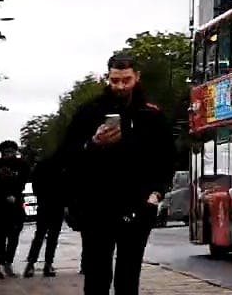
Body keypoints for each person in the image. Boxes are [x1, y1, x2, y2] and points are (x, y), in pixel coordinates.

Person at [58, 54, 175, 295]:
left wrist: (157, 193)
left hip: (138, 204)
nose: (120, 86)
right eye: (115, 80)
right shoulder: (89, 112)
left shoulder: (151, 115)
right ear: (108, 78)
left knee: (128, 277)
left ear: (137, 77)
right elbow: (66, 155)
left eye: (126, 80)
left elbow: (166, 157)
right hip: (96, 206)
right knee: (96, 277)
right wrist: (92, 143)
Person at [0, 141, 29, 279]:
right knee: (0, 236)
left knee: (14, 235)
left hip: (15, 205)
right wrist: (4, 194)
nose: (8, 154)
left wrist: (14, 194)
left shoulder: (22, 165)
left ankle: (8, 262)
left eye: (11, 151)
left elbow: (22, 181)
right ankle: (0, 265)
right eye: (6, 152)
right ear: (1, 153)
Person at [23, 153, 66, 277]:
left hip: (51, 204)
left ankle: (38, 263)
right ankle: (40, 263)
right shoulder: (54, 166)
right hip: (51, 203)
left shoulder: (46, 166)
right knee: (46, 236)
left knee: (45, 235)